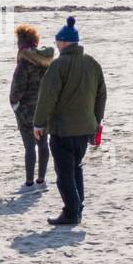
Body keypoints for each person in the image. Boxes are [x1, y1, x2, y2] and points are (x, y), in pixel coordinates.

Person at [33, 17, 107, 225]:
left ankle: (71, 212)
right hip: (85, 128)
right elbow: (102, 94)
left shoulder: (59, 66)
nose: (56, 44)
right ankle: (78, 206)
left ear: (64, 42)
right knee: (76, 167)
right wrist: (96, 119)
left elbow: (47, 96)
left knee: (64, 172)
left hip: (63, 129)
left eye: (58, 41)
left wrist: (39, 123)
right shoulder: (92, 63)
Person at [9, 25, 54, 193]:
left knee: (29, 146)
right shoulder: (47, 61)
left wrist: (15, 104)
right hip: (44, 109)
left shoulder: (23, 64)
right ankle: (41, 181)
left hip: (26, 111)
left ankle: (29, 184)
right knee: (43, 143)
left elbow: (17, 90)